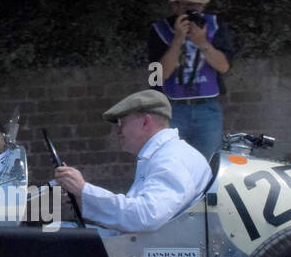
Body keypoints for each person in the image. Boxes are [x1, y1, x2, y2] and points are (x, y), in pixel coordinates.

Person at [54, 89, 212, 233]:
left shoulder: (170, 158)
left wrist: (84, 190)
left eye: (122, 122)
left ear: (145, 122)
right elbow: (139, 215)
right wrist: (84, 198)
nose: (118, 130)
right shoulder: (163, 154)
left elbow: (145, 218)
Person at [147, 0, 236, 160]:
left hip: (207, 108)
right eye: (186, 5)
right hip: (171, 109)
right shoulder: (159, 30)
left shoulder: (215, 27)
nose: (191, 11)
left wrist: (202, 42)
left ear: (203, 6)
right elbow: (159, 76)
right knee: (169, 162)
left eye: (196, 6)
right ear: (175, 6)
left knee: (208, 163)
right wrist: (178, 40)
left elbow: (224, 66)